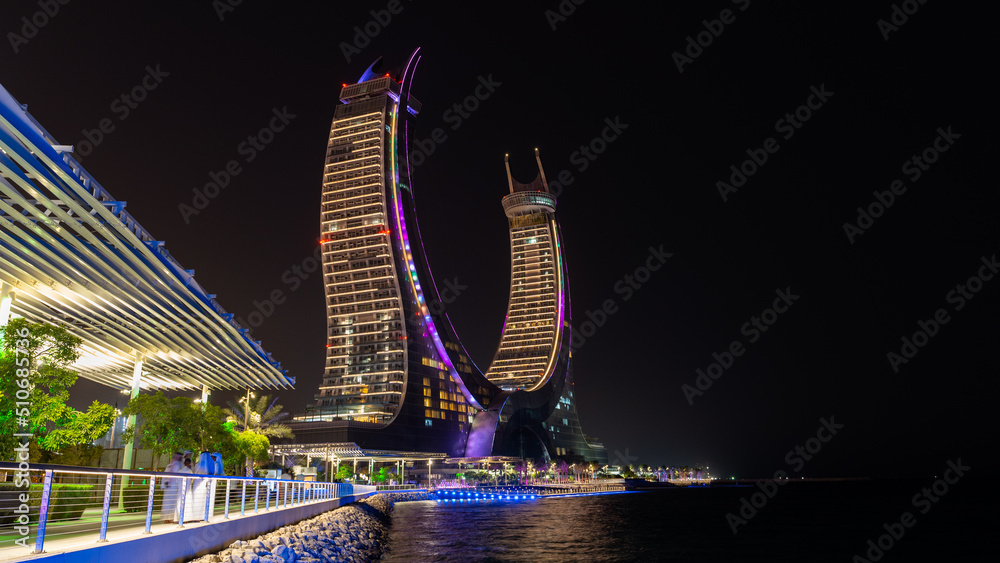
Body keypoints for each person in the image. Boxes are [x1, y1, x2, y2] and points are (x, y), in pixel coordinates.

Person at [160, 453, 183, 524]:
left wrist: (163, 485)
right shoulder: (172, 466)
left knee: (170, 502)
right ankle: (168, 518)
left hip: (172, 486)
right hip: (171, 486)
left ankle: (170, 518)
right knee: (170, 502)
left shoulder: (176, 465)